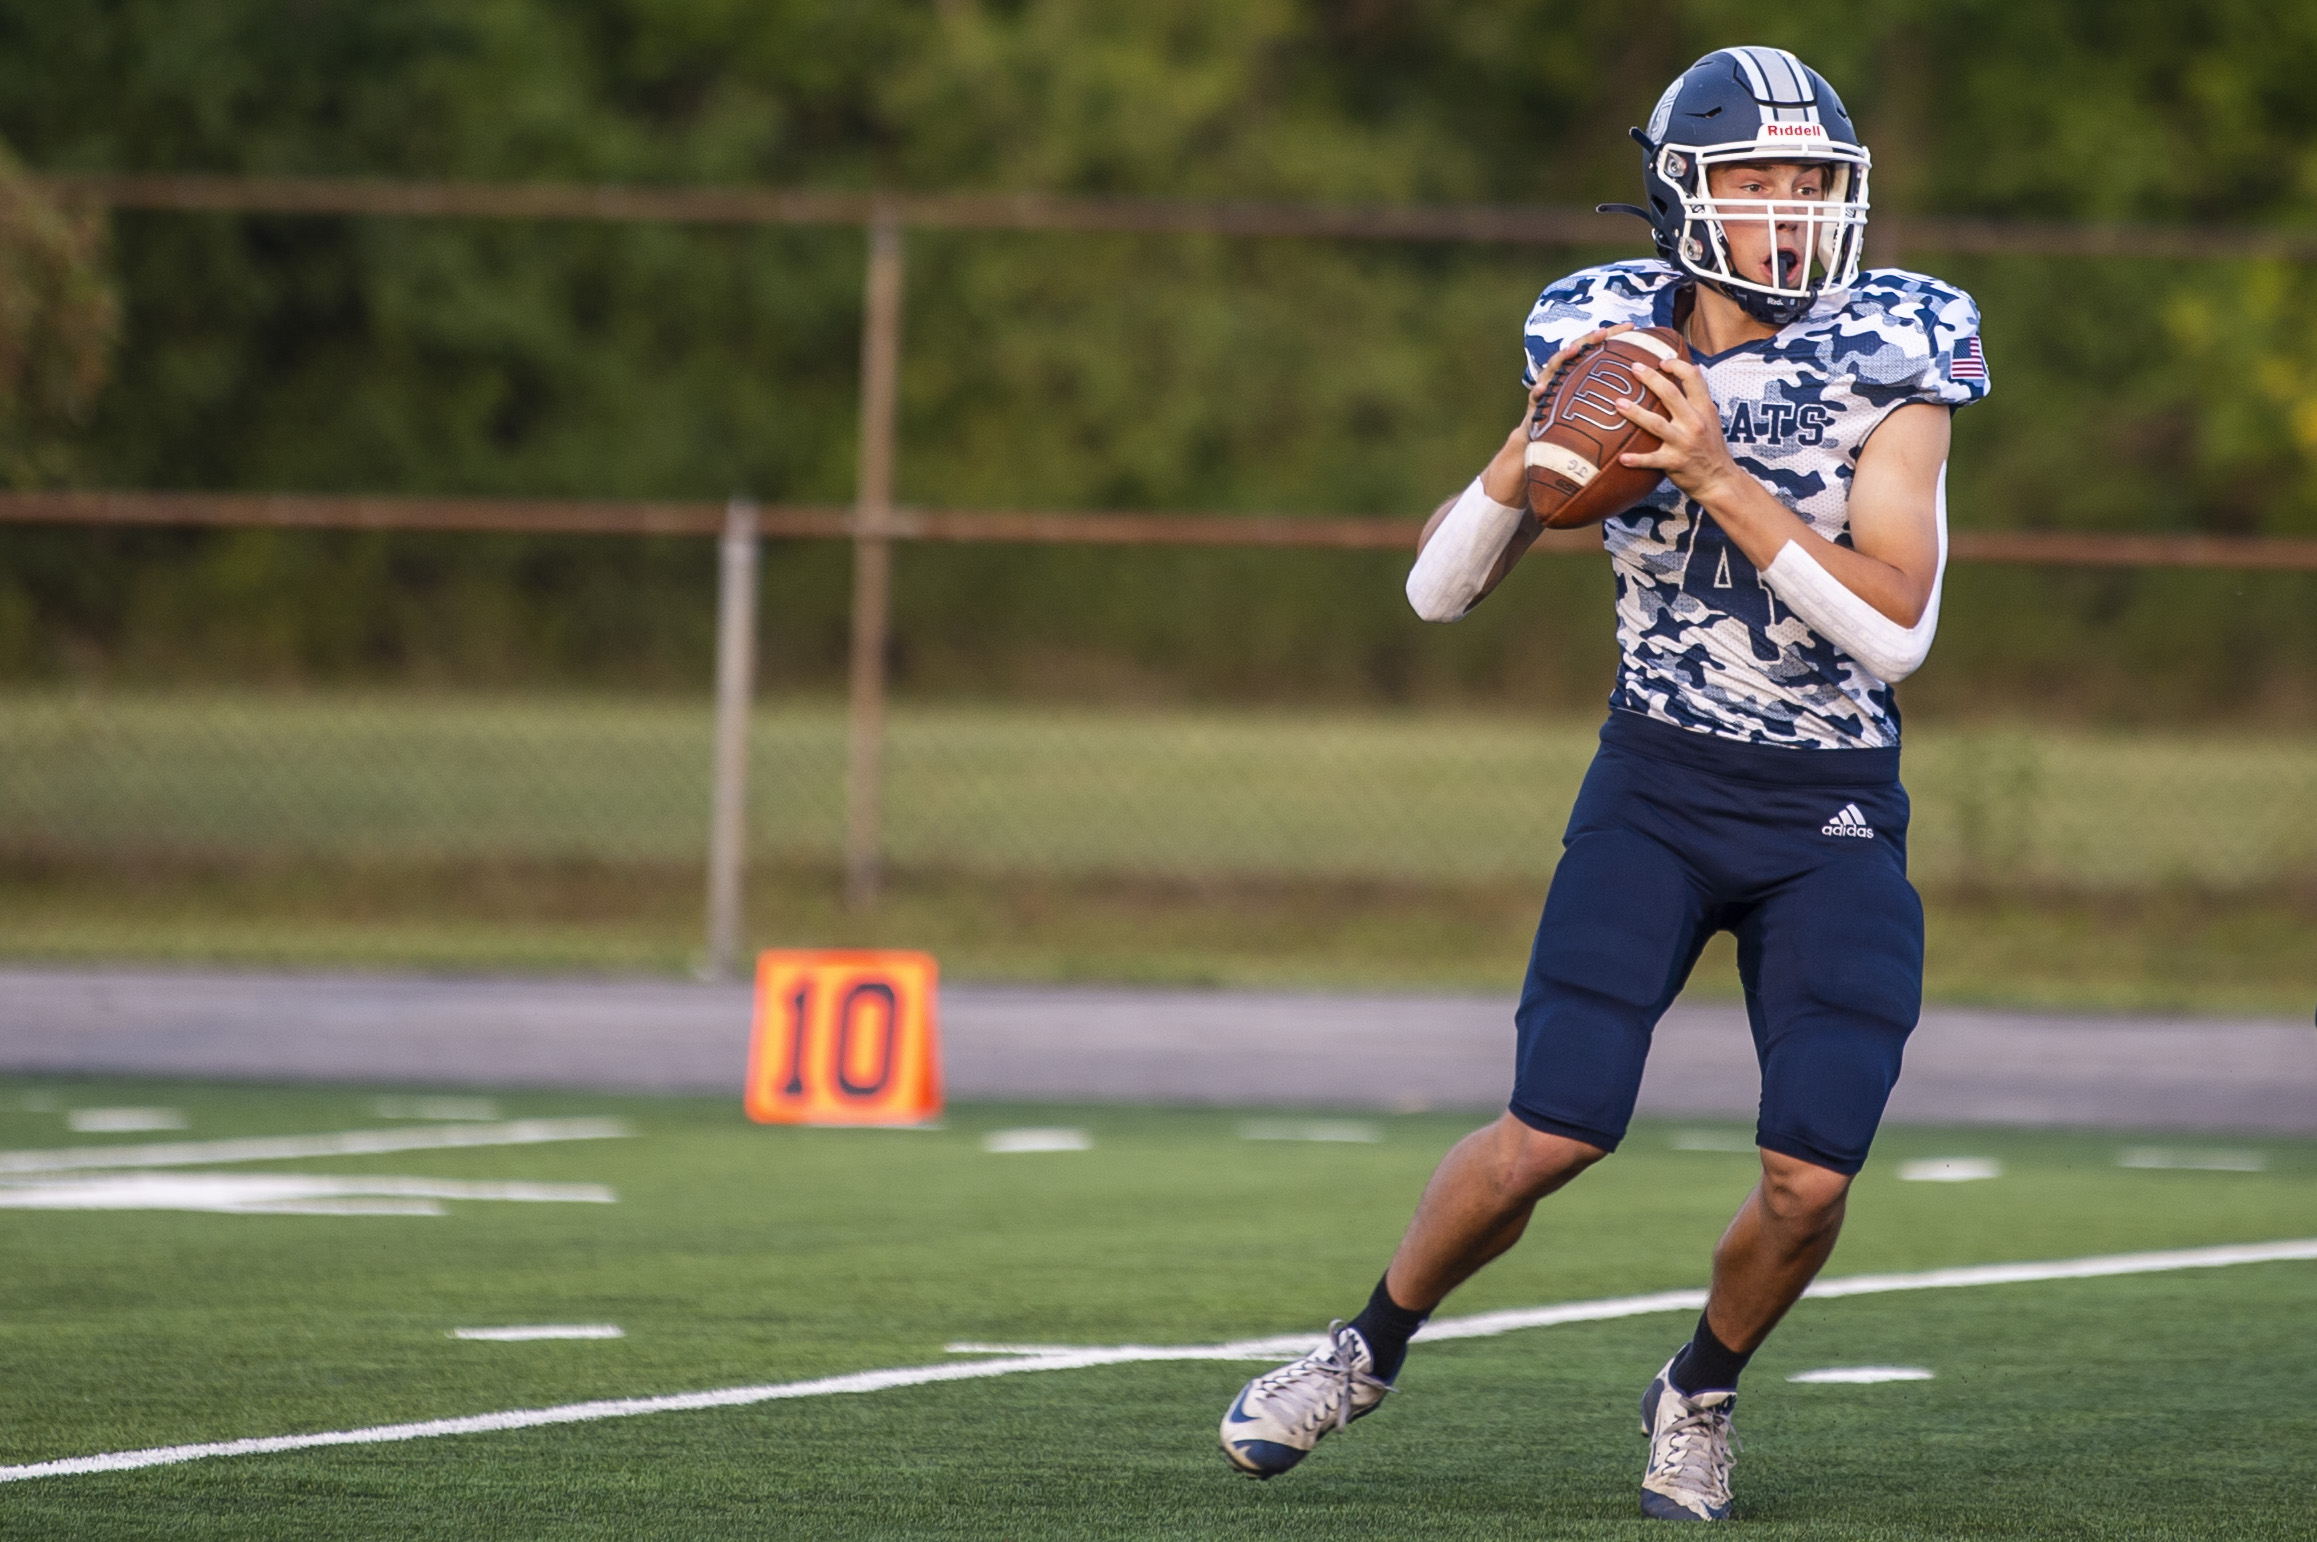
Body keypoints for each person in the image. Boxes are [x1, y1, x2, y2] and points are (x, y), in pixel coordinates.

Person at [1217, 45, 1990, 1522]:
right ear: (1682, 196)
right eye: (1757, 180)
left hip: (1828, 805)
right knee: (1550, 1131)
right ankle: (1363, 1348)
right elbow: (1439, 592)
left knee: (1811, 1179)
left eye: (1812, 180)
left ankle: (1699, 1390)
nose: (1791, 208)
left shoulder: (1896, 341)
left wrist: (1714, 472)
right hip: (1656, 784)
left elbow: (1897, 630)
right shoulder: (1597, 329)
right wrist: (1533, 445)